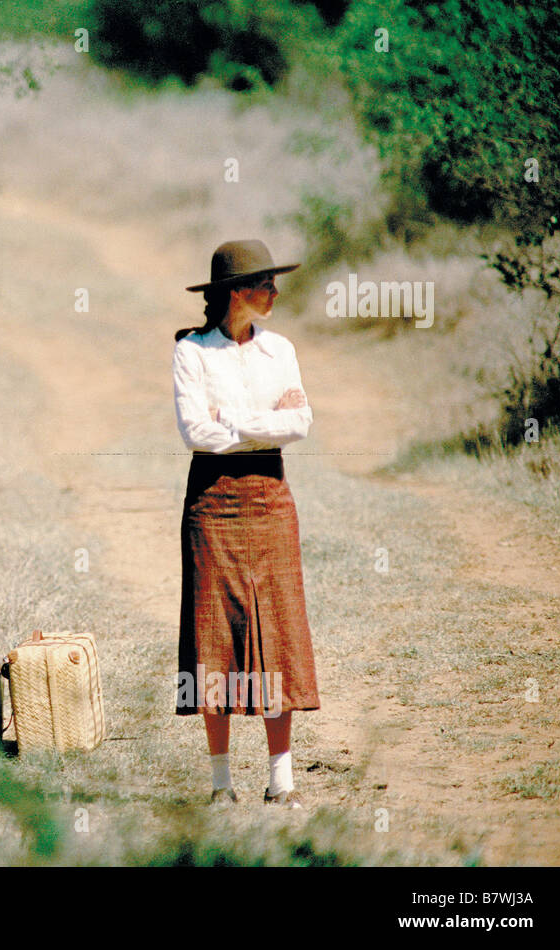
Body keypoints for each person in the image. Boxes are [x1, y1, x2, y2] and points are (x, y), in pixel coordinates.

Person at [171, 239, 320, 807]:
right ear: (237, 293)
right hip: (213, 502)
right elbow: (194, 432)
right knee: (215, 633)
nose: (275, 293)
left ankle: (281, 779)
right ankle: (221, 782)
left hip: (271, 496)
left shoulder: (280, 349)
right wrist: (266, 421)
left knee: (278, 628)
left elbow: (301, 422)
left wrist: (231, 419)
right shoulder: (192, 352)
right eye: (265, 284)